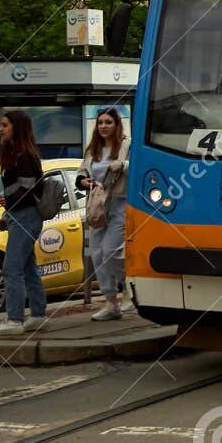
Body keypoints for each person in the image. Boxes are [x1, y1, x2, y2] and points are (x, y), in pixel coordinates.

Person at [0, 111, 46, 335]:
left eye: (5, 125)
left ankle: (14, 320)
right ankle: (39, 315)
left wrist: (7, 200)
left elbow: (28, 188)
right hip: (18, 215)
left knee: (11, 267)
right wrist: (8, 208)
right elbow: (19, 189)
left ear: (17, 127)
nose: (1, 129)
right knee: (27, 267)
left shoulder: (25, 156)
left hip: (26, 216)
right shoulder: (14, 154)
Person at [77, 108, 130, 321]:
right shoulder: (93, 150)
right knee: (97, 254)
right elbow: (82, 172)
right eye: (100, 123)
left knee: (111, 251)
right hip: (98, 205)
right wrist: (83, 180)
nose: (103, 126)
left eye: (108, 122)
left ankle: (129, 288)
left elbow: (141, 166)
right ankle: (110, 303)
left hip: (119, 202)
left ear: (117, 125)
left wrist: (123, 165)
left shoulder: (127, 145)